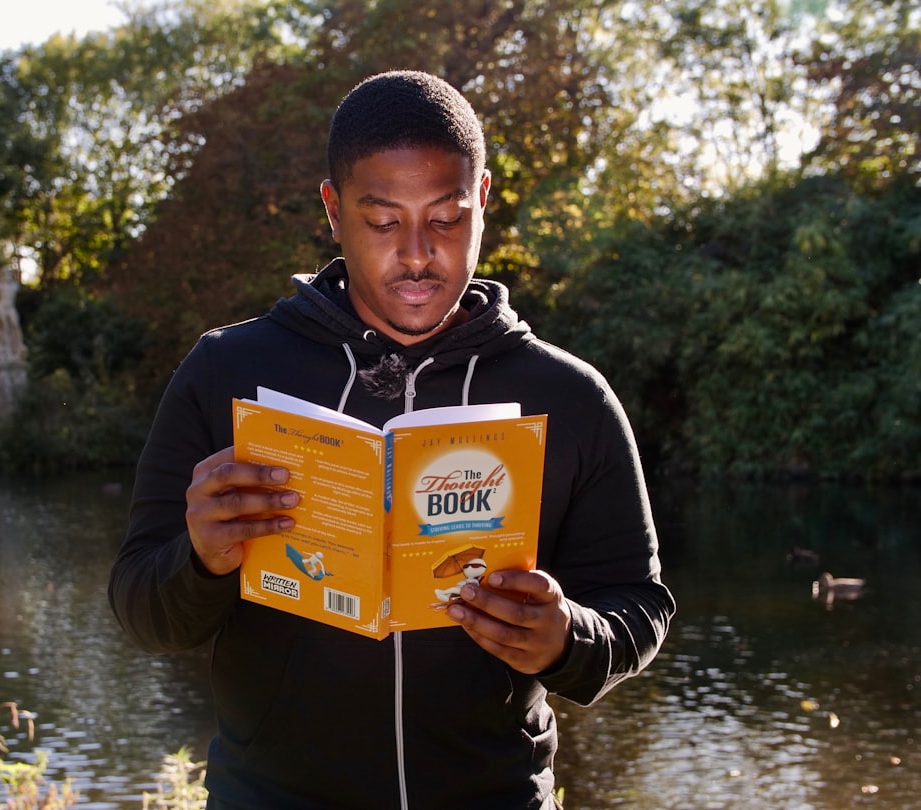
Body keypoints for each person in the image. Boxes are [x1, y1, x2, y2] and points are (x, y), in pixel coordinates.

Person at [109, 70, 674, 810]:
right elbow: (140, 609)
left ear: (484, 201)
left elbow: (640, 606)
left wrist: (568, 638)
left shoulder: (569, 397)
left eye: (446, 218)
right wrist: (201, 560)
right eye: (382, 221)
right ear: (334, 210)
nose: (416, 254)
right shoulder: (228, 371)